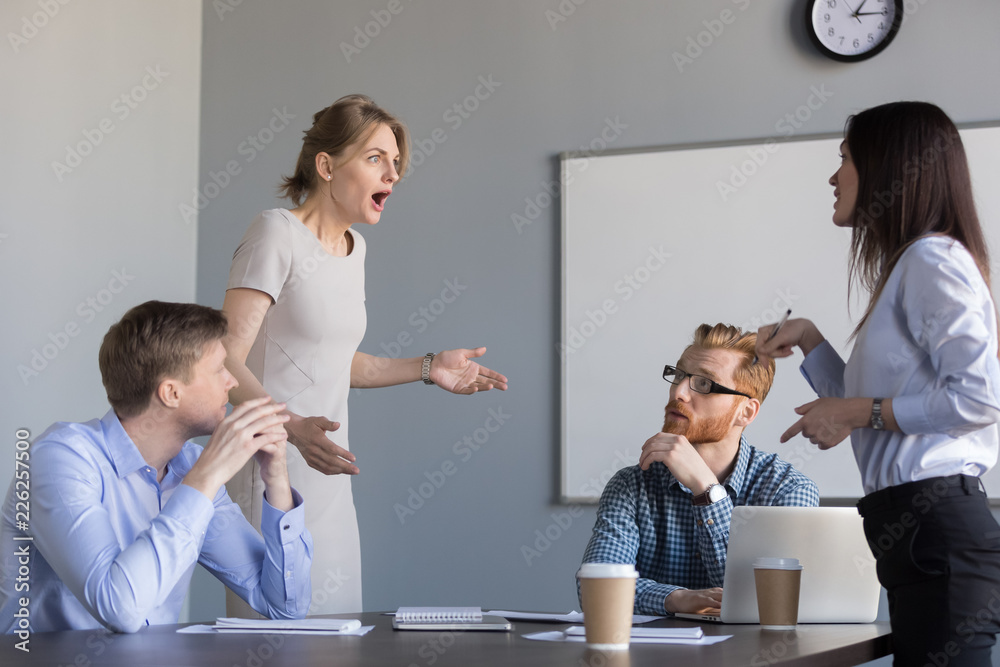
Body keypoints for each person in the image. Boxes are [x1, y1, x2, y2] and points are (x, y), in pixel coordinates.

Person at [222, 94, 508, 615]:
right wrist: (289, 426)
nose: (392, 174)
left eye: (396, 163)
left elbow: (335, 362)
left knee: (338, 636)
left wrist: (428, 368)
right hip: (270, 470)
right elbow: (223, 358)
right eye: (376, 158)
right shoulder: (274, 233)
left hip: (329, 478)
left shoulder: (356, 250)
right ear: (326, 165)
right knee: (274, 639)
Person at [756, 101, 1000, 666]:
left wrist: (855, 412)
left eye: (845, 159)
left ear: (890, 167)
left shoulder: (932, 261)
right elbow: (877, 404)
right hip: (913, 528)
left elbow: (980, 397)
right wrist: (812, 341)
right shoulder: (910, 266)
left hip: (935, 526)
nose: (833, 176)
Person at [0, 301, 312, 634]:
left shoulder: (189, 468)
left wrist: (275, 478)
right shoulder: (60, 458)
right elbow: (119, 609)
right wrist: (204, 480)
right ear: (171, 393)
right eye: (220, 368)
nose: (232, 382)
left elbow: (284, 605)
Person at [580, 323, 819, 616]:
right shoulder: (632, 485)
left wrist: (707, 491)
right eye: (679, 375)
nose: (678, 392)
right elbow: (597, 589)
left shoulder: (787, 490)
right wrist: (676, 599)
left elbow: (769, 604)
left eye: (704, 384)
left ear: (746, 411)